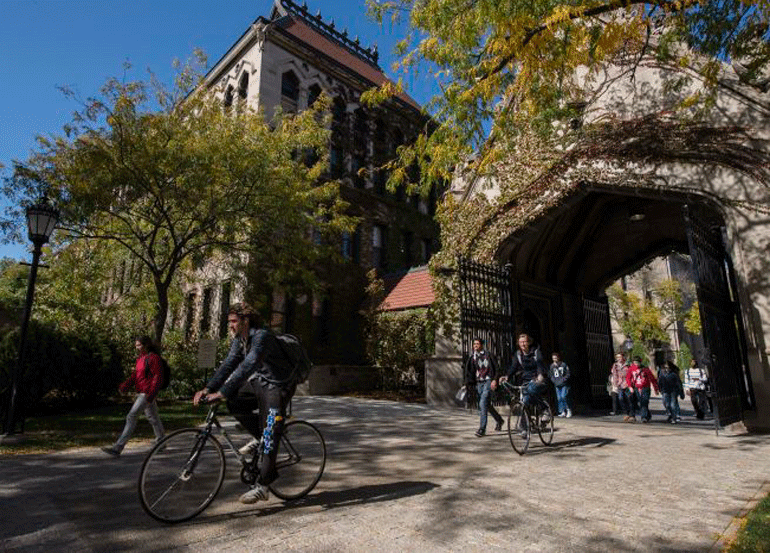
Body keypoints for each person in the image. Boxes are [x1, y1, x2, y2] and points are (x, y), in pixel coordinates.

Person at [193, 303, 296, 504]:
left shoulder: (262, 337)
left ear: (245, 320)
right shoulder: (240, 339)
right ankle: (260, 435)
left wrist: (222, 392)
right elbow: (229, 363)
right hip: (261, 382)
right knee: (234, 401)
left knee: (269, 431)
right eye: (229, 321)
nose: (230, 325)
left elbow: (249, 365)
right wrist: (208, 388)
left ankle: (263, 486)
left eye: (233, 321)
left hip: (279, 384)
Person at [102, 336, 165, 456]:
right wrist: (125, 386)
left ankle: (118, 447)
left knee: (131, 416)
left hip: (146, 393)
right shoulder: (140, 359)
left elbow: (157, 378)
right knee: (153, 418)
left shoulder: (154, 358)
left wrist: (151, 394)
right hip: (142, 392)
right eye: (136, 345)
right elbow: (135, 376)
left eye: (139, 345)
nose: (136, 347)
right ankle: (161, 441)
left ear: (146, 345)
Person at [465, 338, 504, 437]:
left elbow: (497, 368)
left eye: (477, 344)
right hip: (479, 383)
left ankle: (482, 428)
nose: (475, 346)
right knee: (486, 405)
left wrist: (495, 380)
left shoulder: (489, 355)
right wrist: (468, 383)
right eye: (474, 344)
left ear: (482, 345)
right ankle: (499, 420)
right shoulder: (473, 357)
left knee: (482, 403)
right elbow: (469, 372)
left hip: (488, 381)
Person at [502, 333, 549, 408]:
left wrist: (540, 375)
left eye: (524, 342)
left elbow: (540, 365)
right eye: (521, 342)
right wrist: (507, 376)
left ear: (529, 342)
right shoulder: (518, 354)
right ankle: (524, 419)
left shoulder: (536, 352)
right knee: (524, 402)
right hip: (526, 380)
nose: (523, 344)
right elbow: (513, 367)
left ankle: (544, 408)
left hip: (537, 380)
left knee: (531, 389)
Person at [626, 356, 659, 423]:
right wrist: (630, 387)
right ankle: (647, 415)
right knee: (641, 402)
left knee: (644, 402)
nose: (636, 364)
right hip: (636, 388)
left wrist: (656, 389)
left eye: (637, 362)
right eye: (635, 362)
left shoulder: (645, 369)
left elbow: (652, 379)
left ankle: (644, 417)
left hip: (645, 388)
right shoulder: (631, 369)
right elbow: (628, 378)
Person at [549, 352, 572, 417]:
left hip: (563, 384)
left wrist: (563, 380)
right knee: (559, 398)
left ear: (558, 358)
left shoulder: (563, 365)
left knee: (563, 397)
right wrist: (554, 381)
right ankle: (562, 411)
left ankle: (568, 409)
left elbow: (568, 374)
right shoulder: (552, 366)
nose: (554, 359)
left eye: (555, 358)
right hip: (557, 384)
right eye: (553, 358)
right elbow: (551, 375)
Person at [610, 353, 629, 417]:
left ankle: (628, 409)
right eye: (617, 357)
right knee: (620, 397)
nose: (619, 359)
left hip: (626, 383)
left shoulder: (627, 365)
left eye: (620, 357)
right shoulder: (615, 365)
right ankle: (623, 410)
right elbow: (615, 374)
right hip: (619, 383)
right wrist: (615, 383)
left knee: (627, 397)